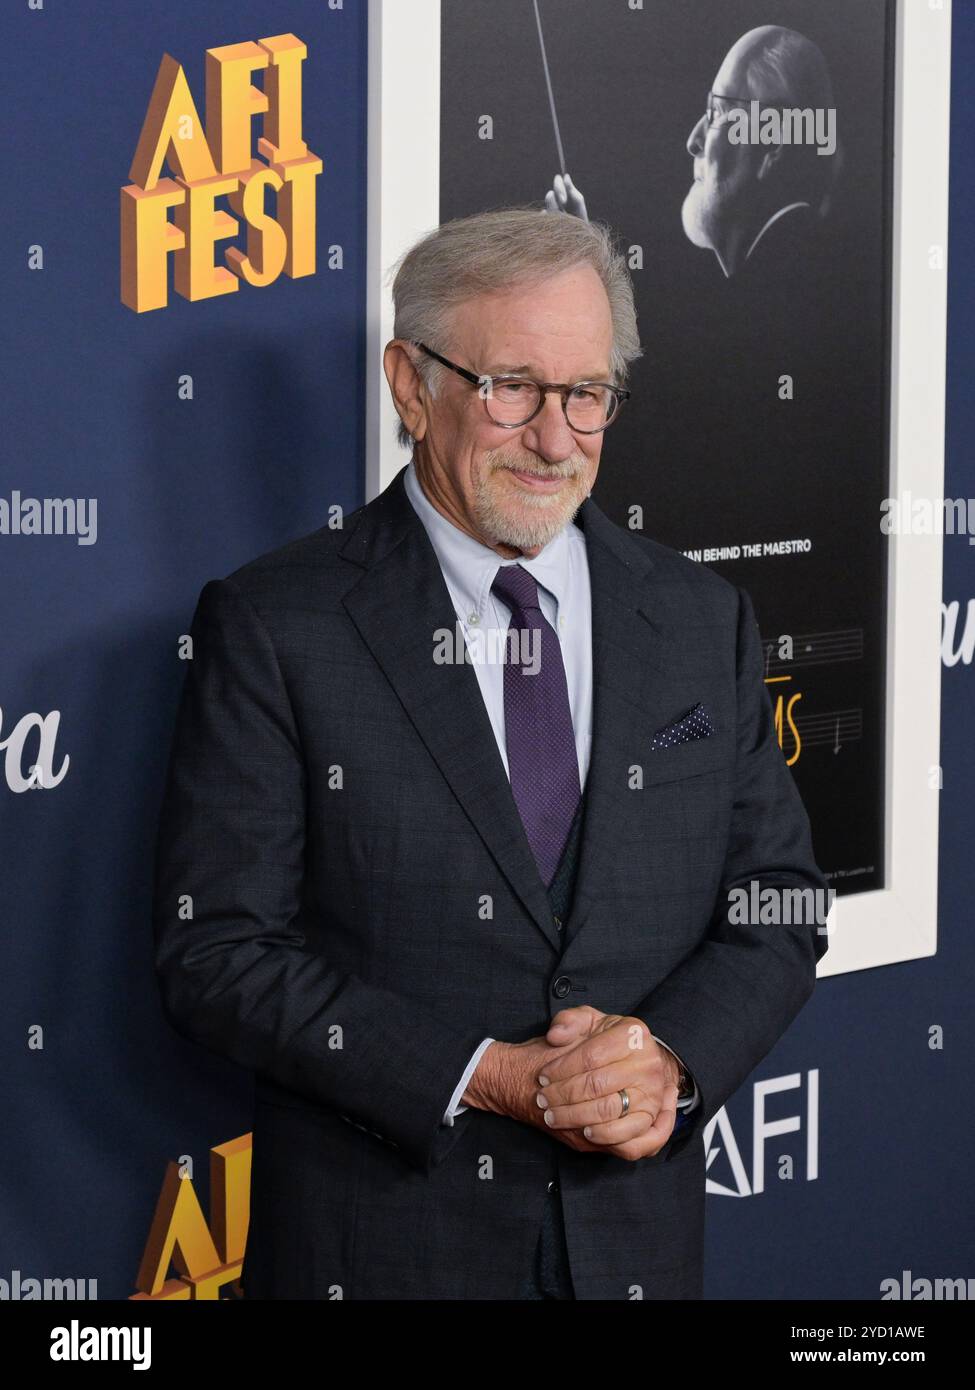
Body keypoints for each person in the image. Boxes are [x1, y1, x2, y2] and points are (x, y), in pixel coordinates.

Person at [153, 206, 829, 1300]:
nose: (556, 439)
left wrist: (667, 1061)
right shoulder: (278, 627)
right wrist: (490, 1076)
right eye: (512, 386)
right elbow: (218, 953)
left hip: (636, 1251)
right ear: (411, 385)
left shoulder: (702, 618)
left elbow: (782, 902)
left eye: (587, 395)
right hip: (380, 1254)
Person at [681, 25, 840, 281]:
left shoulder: (784, 285)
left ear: (773, 142)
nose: (693, 141)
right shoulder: (802, 268)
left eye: (718, 111)